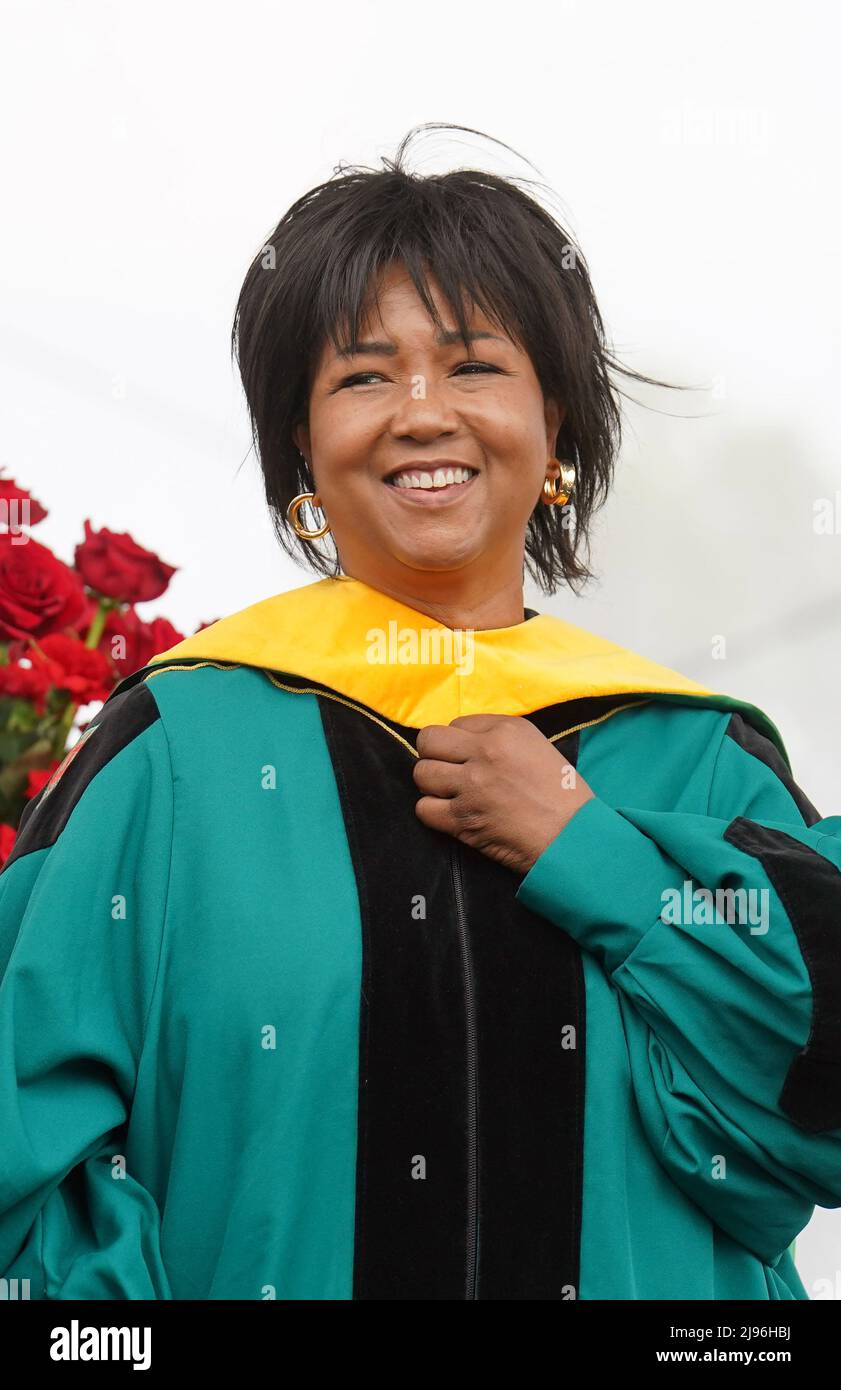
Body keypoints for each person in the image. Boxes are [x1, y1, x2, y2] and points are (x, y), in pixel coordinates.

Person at [1, 124, 839, 1302]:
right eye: (359, 375)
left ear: (556, 424)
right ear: (303, 445)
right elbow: (29, 1156)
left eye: (473, 365)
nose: (420, 412)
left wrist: (592, 856)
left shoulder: (697, 761)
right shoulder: (174, 758)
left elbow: (810, 1111)